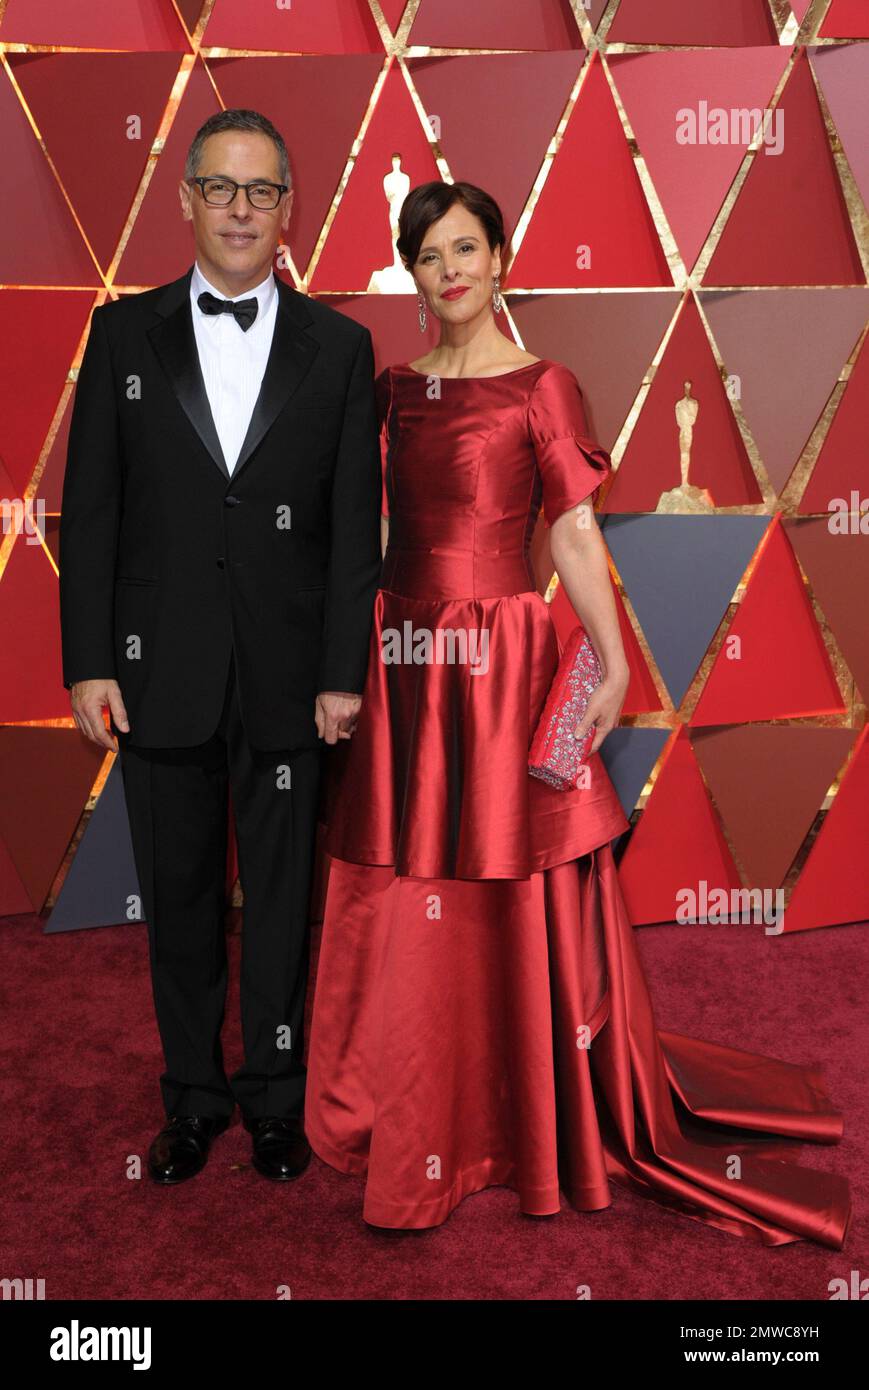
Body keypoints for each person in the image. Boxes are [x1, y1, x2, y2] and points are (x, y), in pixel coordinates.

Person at [304, 180, 852, 1248]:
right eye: (426, 255)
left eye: (465, 248)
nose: (448, 270)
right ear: (409, 273)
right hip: (406, 654)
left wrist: (605, 660)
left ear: (501, 257)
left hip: (499, 657)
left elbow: (567, 535)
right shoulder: (392, 388)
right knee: (412, 871)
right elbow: (354, 533)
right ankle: (413, 1098)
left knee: (501, 875)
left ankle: (514, 1110)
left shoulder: (541, 388)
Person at [59, 109, 382, 1185]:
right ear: (186, 199)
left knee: (285, 905)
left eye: (262, 192)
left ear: (289, 209)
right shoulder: (121, 335)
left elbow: (351, 533)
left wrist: (343, 670)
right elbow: (92, 512)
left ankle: (276, 1102)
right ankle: (192, 1098)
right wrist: (88, 659)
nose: (241, 211)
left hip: (295, 681)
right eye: (221, 188)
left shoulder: (340, 348)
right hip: (158, 675)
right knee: (180, 899)